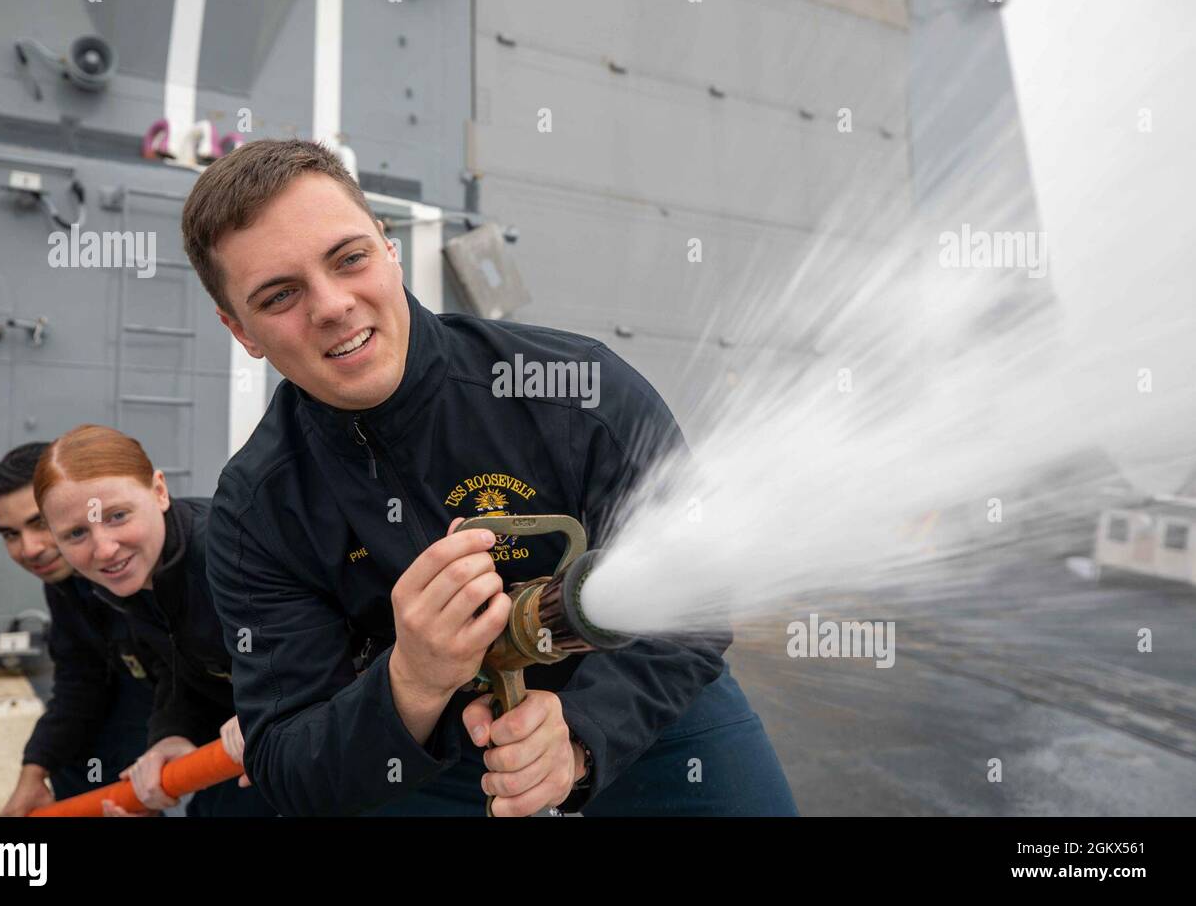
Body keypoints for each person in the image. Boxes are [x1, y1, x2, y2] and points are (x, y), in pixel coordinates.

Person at [180, 138, 798, 816]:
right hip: (427, 756)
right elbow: (289, 766)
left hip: (650, 710)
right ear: (240, 330)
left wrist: (580, 737)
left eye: (348, 258)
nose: (331, 306)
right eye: (279, 296)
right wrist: (411, 681)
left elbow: (696, 594)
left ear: (388, 247)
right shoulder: (256, 511)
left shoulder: (575, 392)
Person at [33, 424, 275, 817]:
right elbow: (178, 666)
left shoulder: (232, 549)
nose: (105, 549)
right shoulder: (135, 581)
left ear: (159, 491)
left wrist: (279, 702)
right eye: (76, 533)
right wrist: (171, 735)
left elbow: (347, 635)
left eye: (118, 516)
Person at [0, 442, 156, 817]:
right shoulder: (68, 582)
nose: (30, 549)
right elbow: (81, 679)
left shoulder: (152, 570)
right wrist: (35, 769)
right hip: (144, 691)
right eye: (10, 534)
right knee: (73, 761)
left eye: (39, 523)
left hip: (223, 711)